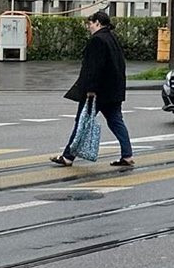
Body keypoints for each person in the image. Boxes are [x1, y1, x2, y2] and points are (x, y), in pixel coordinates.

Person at [51, 10, 134, 168]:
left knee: (81, 122)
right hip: (113, 91)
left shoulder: (97, 40)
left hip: (97, 93)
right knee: (116, 121)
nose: (88, 27)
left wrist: (90, 89)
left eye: (90, 23)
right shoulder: (112, 38)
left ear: (98, 23)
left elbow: (94, 67)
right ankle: (127, 155)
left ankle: (68, 157)